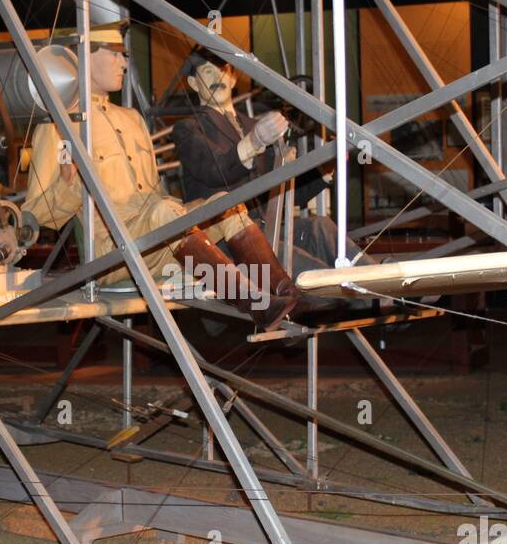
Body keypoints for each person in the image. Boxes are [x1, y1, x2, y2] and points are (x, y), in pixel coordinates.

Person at [22, 25, 301, 330]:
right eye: (115, 55)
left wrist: (186, 215)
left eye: (124, 56)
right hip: (112, 255)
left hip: (158, 241)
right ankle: (256, 304)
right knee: (165, 212)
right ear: (83, 58)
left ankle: (287, 294)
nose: (124, 64)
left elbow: (155, 193)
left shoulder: (132, 120)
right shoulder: (57, 129)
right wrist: (67, 184)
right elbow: (38, 216)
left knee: (225, 203)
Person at [170, 54, 374, 276]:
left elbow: (282, 194)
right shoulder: (188, 129)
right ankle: (356, 296)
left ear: (234, 79)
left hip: (267, 231)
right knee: (315, 276)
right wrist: (253, 142)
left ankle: (377, 282)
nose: (217, 76)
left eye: (223, 70)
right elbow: (214, 171)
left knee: (320, 226)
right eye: (207, 71)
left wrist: (324, 169)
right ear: (193, 83)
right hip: (229, 242)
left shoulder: (251, 125)